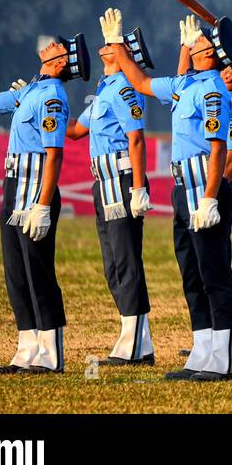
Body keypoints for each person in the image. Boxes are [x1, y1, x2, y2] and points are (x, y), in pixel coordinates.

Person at [103, 9, 232, 382]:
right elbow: (139, 82)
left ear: (210, 54)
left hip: (204, 187)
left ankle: (222, 357)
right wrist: (117, 43)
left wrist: (210, 198)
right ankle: (202, 350)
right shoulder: (186, 85)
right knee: (191, 272)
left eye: (198, 42)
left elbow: (219, 148)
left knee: (214, 271)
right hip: (181, 187)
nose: (192, 43)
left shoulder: (214, 91)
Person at [0, 25, 87, 374]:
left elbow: (54, 154)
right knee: (16, 273)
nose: (48, 46)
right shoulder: (30, 90)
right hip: (13, 185)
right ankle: (27, 347)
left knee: (38, 270)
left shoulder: (52, 97)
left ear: (62, 62)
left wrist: (44, 205)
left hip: (35, 189)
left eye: (56, 46)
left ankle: (50, 352)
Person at [65, 27, 155, 365]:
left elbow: (137, 139)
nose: (102, 50)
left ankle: (133, 344)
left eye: (110, 46)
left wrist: (138, 188)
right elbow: (76, 131)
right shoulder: (105, 90)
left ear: (124, 55)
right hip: (102, 182)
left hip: (121, 180)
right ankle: (138, 342)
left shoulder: (127, 89)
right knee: (113, 264)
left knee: (126, 260)